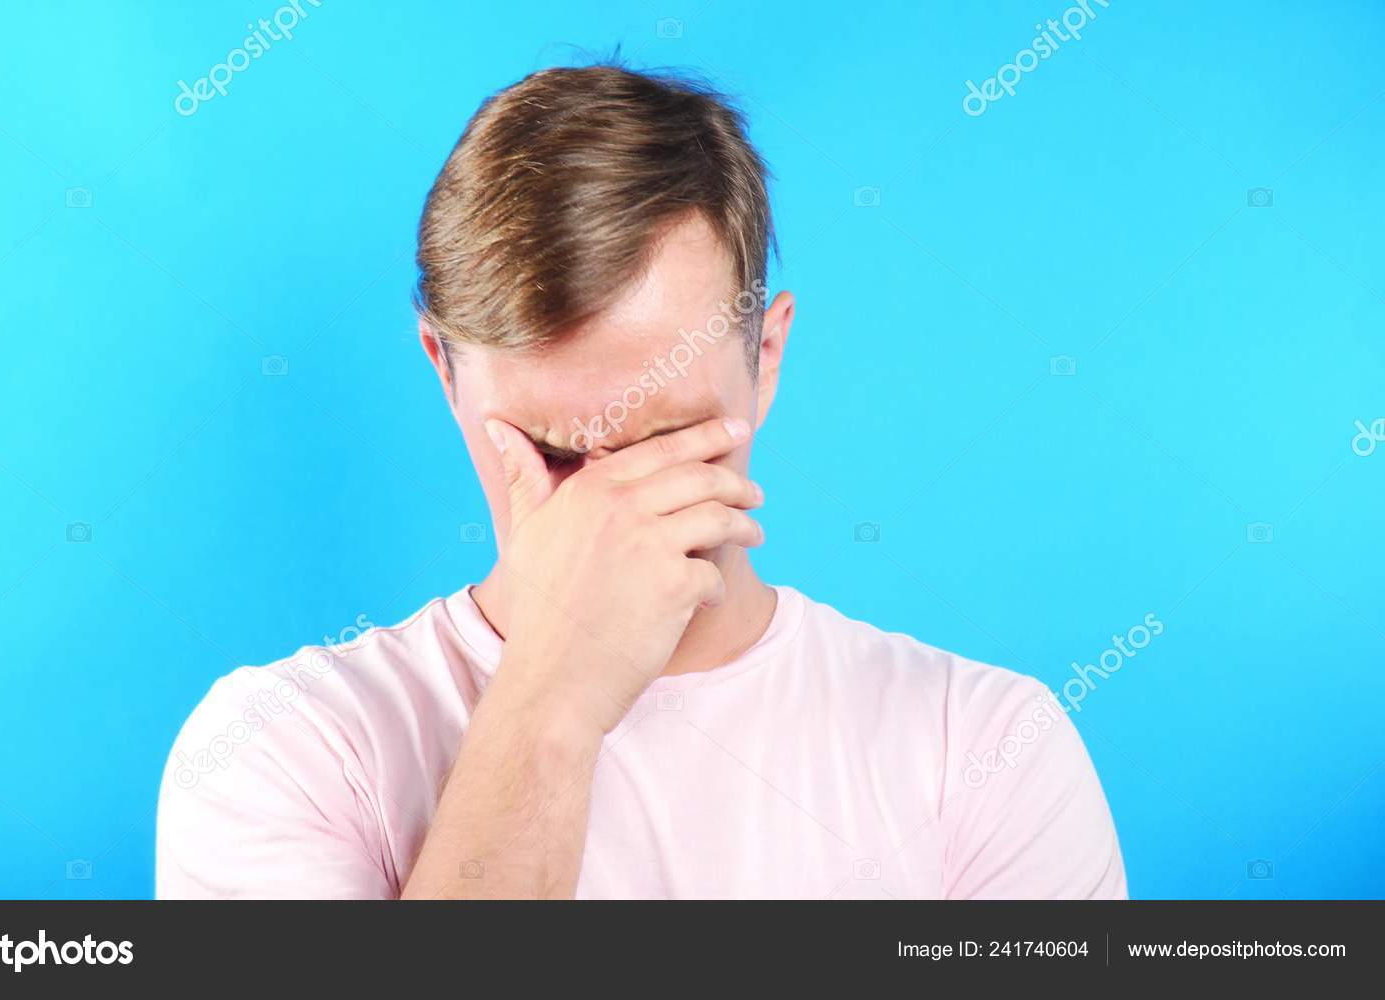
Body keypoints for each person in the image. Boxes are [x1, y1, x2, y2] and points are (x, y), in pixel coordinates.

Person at [156, 64, 1126, 899]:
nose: (614, 513)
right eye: (559, 454)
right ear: (444, 373)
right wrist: (551, 699)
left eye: (670, 438)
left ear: (768, 355)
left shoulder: (987, 748)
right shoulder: (279, 748)